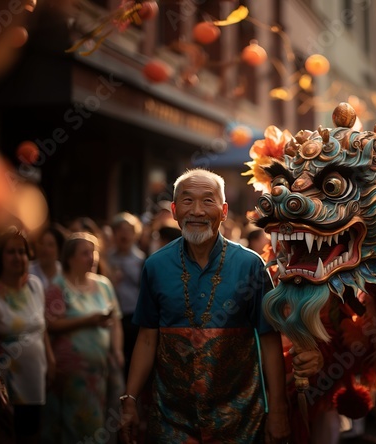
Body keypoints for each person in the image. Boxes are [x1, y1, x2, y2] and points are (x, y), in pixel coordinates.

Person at [120, 169, 322, 443]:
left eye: (208, 200)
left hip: (240, 419)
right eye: (188, 201)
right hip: (171, 419)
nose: (197, 211)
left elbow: (268, 340)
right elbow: (146, 339)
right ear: (175, 210)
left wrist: (277, 409)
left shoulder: (250, 266)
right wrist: (130, 399)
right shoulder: (155, 265)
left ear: (224, 211)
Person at [43, 232, 125, 442]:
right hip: (71, 372)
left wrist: (117, 350)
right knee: (77, 424)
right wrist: (87, 320)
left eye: (94, 252)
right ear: (70, 258)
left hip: (100, 369)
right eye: (85, 253)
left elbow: (115, 321)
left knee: (99, 421)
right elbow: (50, 324)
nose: (92, 258)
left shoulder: (103, 284)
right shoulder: (59, 286)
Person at [0, 228, 55, 444]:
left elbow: (41, 326)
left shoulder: (35, 285)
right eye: (11, 252)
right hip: (7, 382)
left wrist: (50, 359)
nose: (18, 257)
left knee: (33, 434)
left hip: (35, 378)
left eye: (22, 252)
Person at [107, 212, 146, 375]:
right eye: (119, 230)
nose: (123, 234)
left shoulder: (142, 259)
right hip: (112, 315)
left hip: (133, 315)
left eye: (128, 230)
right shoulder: (106, 258)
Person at [30, 225, 66, 289]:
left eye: (50, 245)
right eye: (41, 243)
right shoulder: (28, 272)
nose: (44, 249)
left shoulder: (65, 273)